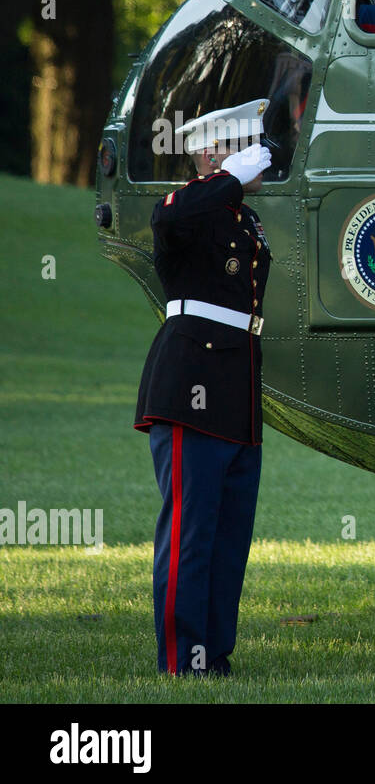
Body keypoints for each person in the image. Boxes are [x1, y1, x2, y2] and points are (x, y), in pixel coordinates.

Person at [134, 99, 273, 676]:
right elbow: (166, 220)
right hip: (192, 378)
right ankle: (181, 659)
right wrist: (223, 180)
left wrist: (232, 187)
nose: (261, 157)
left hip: (235, 384)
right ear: (215, 154)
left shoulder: (242, 219)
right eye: (249, 147)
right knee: (191, 531)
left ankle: (213, 652)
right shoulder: (189, 210)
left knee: (228, 532)